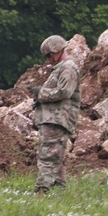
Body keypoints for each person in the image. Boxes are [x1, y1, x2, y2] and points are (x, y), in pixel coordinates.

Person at [31, 35, 81, 195]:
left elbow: (65, 91)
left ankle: (42, 189)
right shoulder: (61, 68)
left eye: (49, 55)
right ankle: (59, 190)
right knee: (55, 155)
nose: (48, 59)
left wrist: (41, 93)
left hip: (57, 119)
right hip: (54, 118)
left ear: (57, 51)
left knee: (48, 156)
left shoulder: (68, 68)